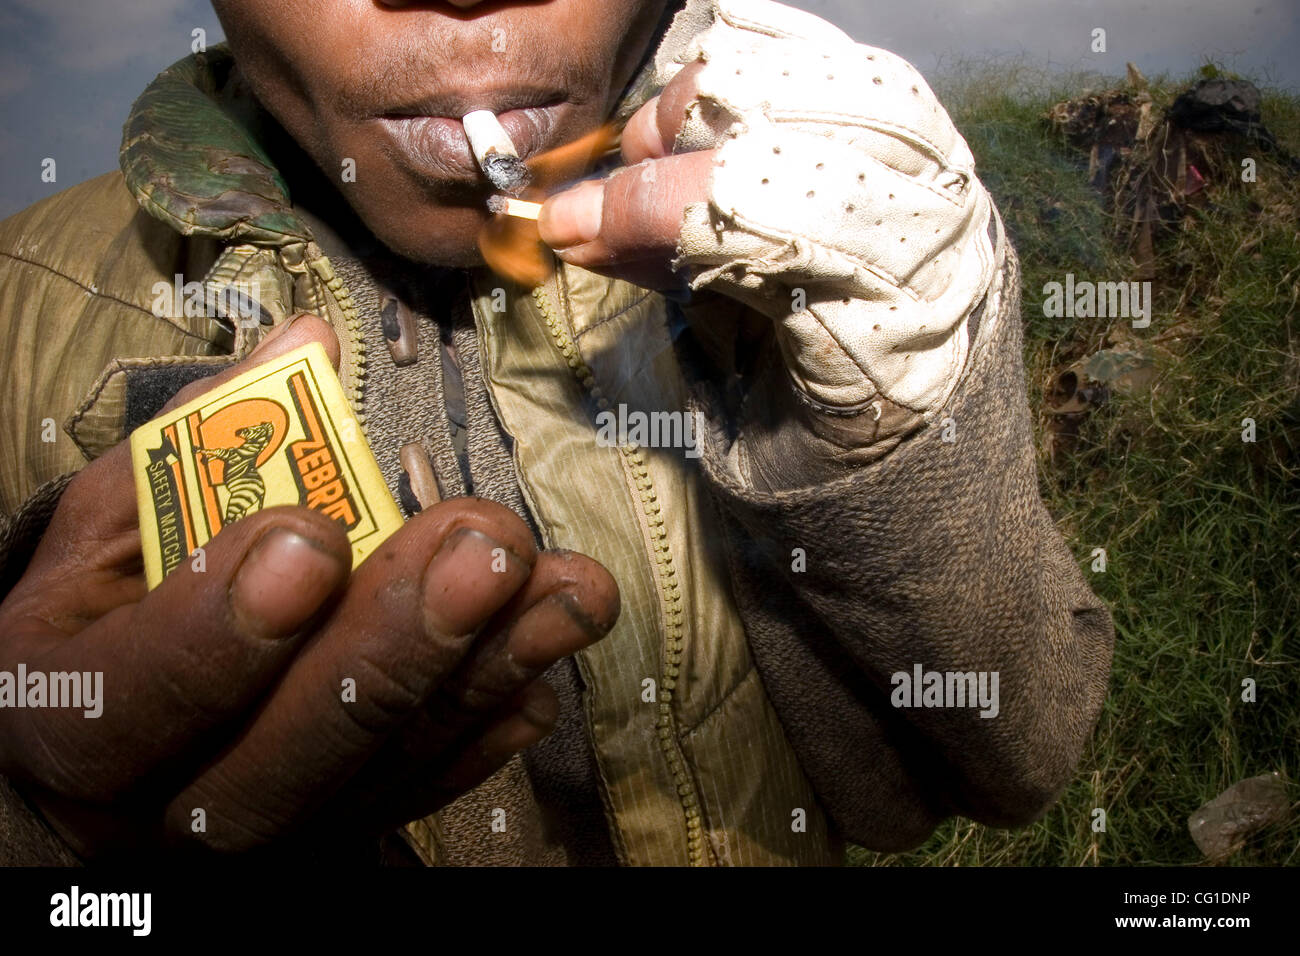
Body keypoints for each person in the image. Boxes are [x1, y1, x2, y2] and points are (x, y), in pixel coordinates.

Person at [0, 0, 1114, 866]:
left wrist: (893, 437)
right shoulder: (20, 305)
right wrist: (45, 831)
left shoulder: (829, 212)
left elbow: (1006, 762)